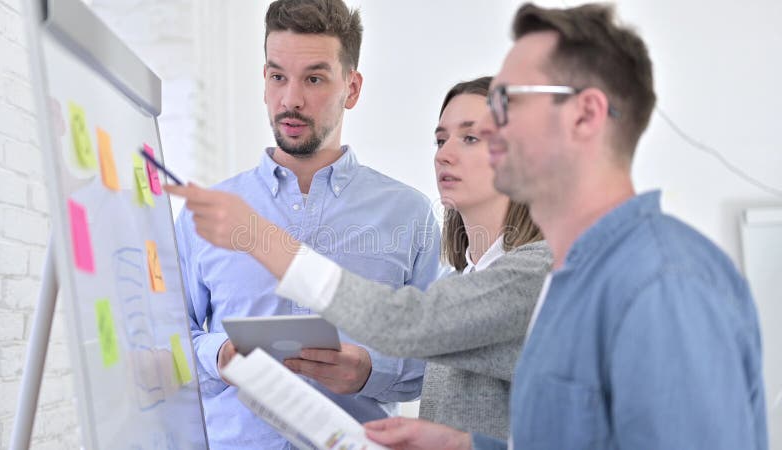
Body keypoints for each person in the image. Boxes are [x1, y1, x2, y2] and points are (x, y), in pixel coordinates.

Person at [169, 2, 768, 449]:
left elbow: (411, 324)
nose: (479, 139)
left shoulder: (664, 279)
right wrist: (465, 446)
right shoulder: (574, 274)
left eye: (506, 106)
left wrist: (260, 239)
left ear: (585, 115)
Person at [171, 76, 552, 440]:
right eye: (440, 139)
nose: (444, 155)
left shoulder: (539, 274)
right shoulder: (460, 280)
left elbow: (409, 325)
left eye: (470, 138)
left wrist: (265, 242)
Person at [173, 0, 441, 448]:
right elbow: (166, 339)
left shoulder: (408, 215)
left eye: (314, 79)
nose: (291, 99)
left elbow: (435, 359)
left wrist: (370, 370)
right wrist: (216, 355)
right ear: (264, 81)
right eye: (278, 76)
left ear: (351, 89)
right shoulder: (210, 215)